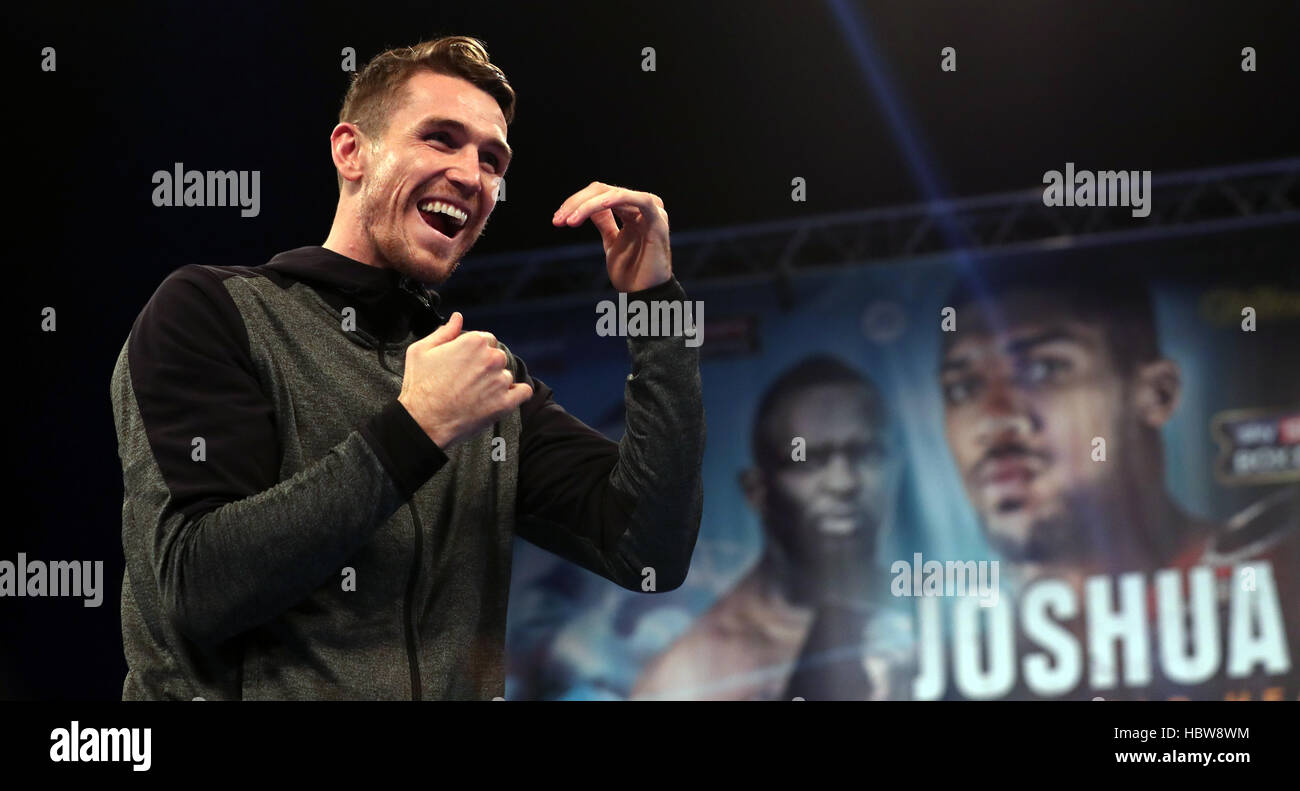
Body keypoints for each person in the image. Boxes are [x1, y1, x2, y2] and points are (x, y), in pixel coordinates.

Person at [109, 36, 706, 700]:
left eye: (491, 159)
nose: (472, 175)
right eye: (440, 138)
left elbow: (651, 550)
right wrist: (414, 429)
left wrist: (656, 311)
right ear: (351, 151)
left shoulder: (487, 381)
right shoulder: (215, 311)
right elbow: (194, 589)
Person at [936, 266, 1298, 699]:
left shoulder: (1281, 593)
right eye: (961, 388)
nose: (993, 419)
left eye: (1043, 368)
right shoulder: (950, 676)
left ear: (1156, 393)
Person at [633, 355, 902, 700]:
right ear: (756, 491)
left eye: (866, 454)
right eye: (811, 461)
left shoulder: (929, 612)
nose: (844, 482)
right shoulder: (694, 676)